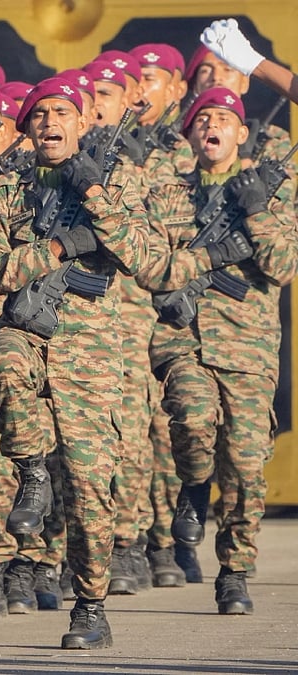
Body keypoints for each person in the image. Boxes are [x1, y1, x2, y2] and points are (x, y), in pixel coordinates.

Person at [0, 77, 149, 649]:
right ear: (25, 129)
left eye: (61, 113)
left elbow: (140, 256)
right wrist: (52, 250)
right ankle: (29, 469)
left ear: (81, 123)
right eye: (39, 114)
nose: (50, 122)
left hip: (91, 347)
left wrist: (93, 191)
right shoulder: (7, 188)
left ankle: (91, 605)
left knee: (89, 484)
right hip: (25, 328)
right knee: (1, 360)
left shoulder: (114, 180)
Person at [134, 87, 298, 615]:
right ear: (190, 135)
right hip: (184, 339)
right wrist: (203, 260)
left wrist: (256, 211)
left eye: (225, 118)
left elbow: (282, 266)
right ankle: (194, 483)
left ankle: (235, 572)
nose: (214, 126)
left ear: (241, 134)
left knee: (247, 465)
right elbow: (153, 266)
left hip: (248, 348)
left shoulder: (270, 194)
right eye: (203, 118)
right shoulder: (170, 196)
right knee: (191, 419)